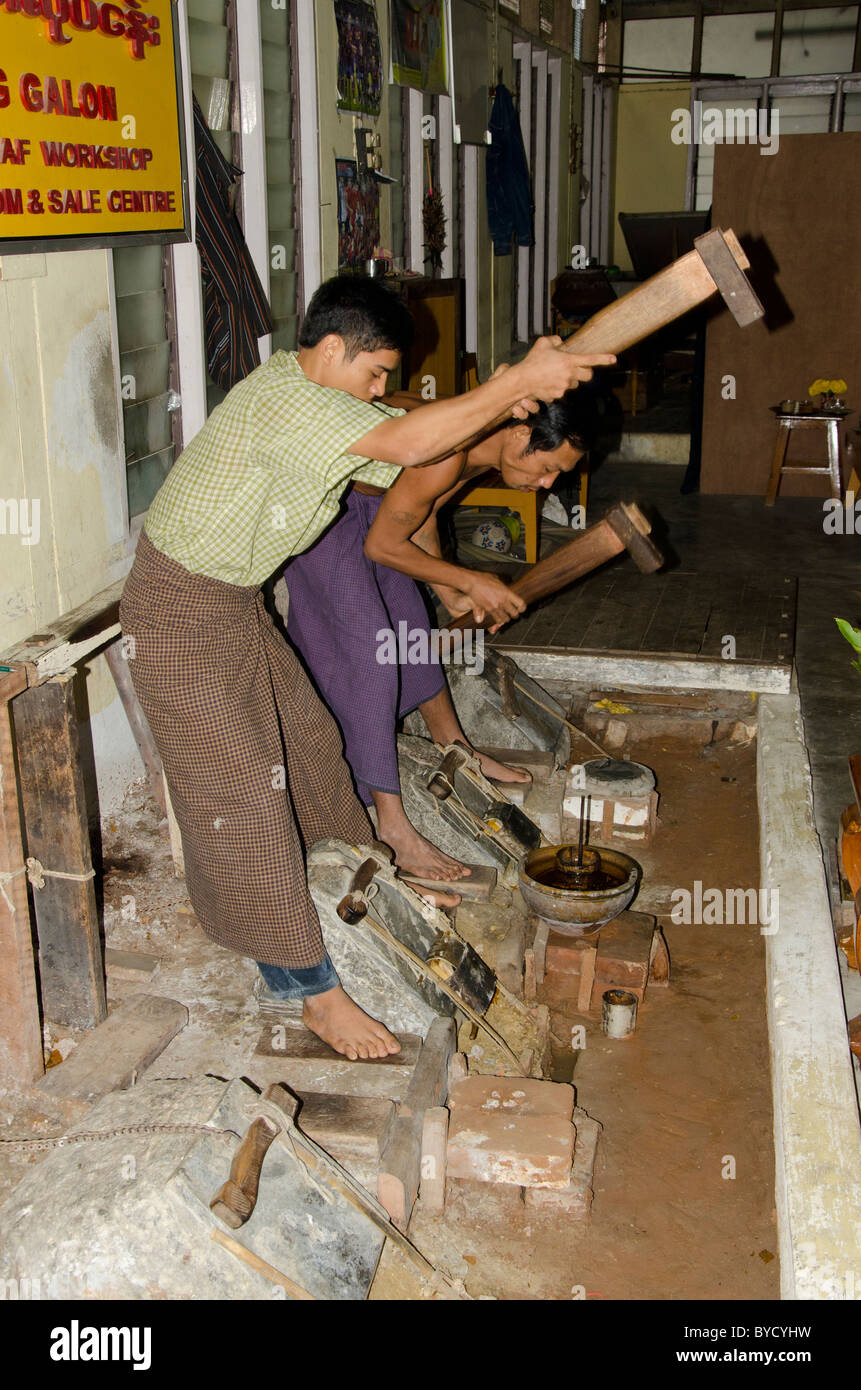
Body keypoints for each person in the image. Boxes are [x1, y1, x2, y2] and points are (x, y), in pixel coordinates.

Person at [118, 274, 613, 1061]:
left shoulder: (315, 393)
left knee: (314, 748)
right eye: (375, 373)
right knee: (244, 795)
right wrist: (516, 381)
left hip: (232, 605)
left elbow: (418, 445)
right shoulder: (291, 401)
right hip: (177, 615)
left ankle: (369, 885)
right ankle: (307, 989)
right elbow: (413, 443)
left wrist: (505, 402)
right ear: (329, 349)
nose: (381, 390)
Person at [284, 391, 592, 883]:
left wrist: (449, 595)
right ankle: (392, 827)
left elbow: (422, 514)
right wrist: (471, 581)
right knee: (373, 661)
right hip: (324, 512)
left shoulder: (478, 450)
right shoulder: (450, 447)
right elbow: (384, 545)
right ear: (519, 436)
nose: (548, 482)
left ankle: (457, 746)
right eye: (548, 467)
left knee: (411, 627)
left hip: (373, 510)